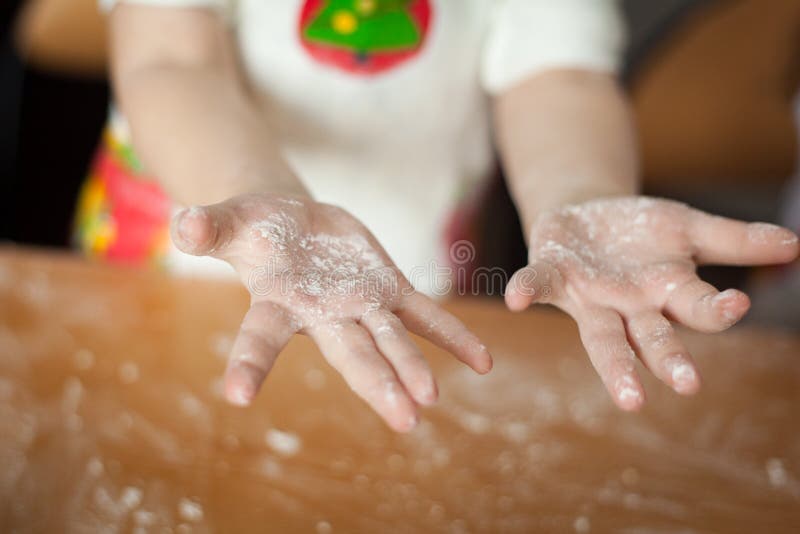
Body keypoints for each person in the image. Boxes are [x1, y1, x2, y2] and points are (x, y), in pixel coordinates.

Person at [74, 0, 799, 432]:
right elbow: (171, 59)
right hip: (172, 275)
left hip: (394, 286)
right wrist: (265, 195)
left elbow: (558, 75)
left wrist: (582, 195)